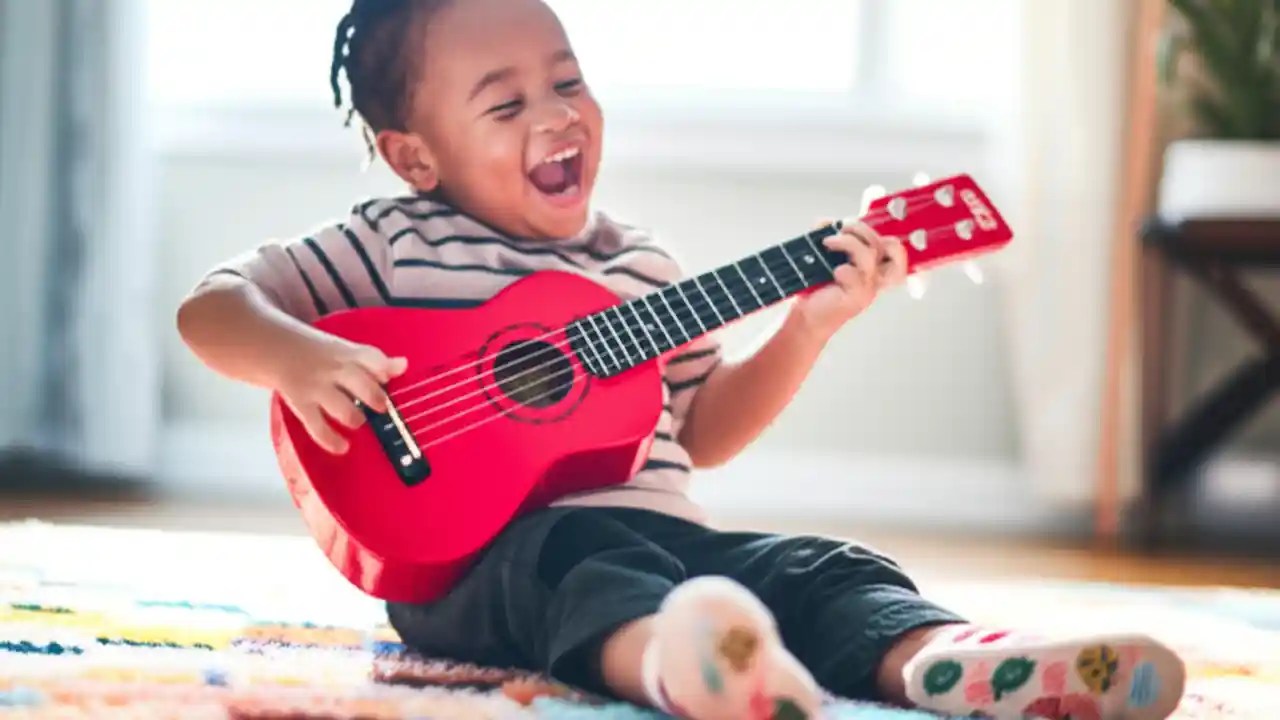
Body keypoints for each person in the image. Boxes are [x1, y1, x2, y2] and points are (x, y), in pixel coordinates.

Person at [175, 1, 1186, 718]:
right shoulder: (392, 241)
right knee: (581, 562)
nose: (556, 114)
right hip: (487, 559)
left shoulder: (641, 268)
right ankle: (679, 668)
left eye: (566, 81)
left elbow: (702, 432)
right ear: (415, 156)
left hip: (672, 547)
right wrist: (295, 356)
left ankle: (955, 665)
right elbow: (212, 307)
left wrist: (806, 326)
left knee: (819, 568)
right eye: (506, 103)